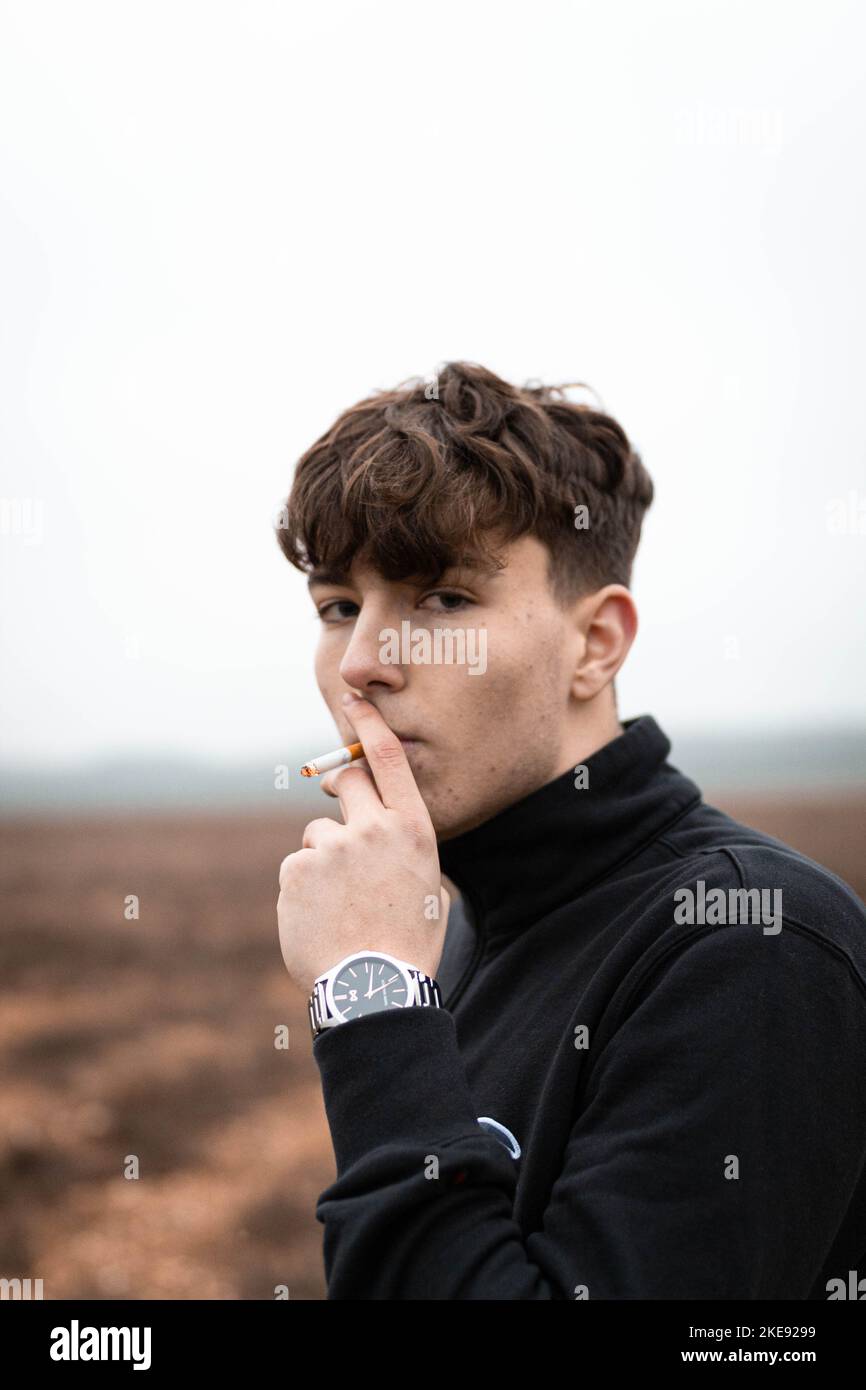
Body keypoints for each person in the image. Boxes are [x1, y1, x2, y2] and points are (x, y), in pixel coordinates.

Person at [274, 361, 866, 1299]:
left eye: (442, 599)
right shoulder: (469, 921)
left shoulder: (751, 941)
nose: (361, 665)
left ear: (596, 644)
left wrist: (371, 996)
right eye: (339, 607)